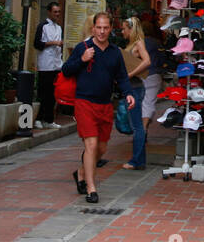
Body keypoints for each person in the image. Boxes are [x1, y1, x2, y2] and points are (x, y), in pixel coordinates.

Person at [62, 13, 135, 203]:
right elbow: (66, 70)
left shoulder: (114, 52)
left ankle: (80, 172)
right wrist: (82, 59)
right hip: (84, 102)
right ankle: (91, 188)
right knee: (91, 145)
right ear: (93, 28)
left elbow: (122, 77)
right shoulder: (83, 48)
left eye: (105, 28)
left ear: (111, 29)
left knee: (101, 148)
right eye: (99, 28)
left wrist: (128, 93)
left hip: (104, 104)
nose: (102, 32)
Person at [119, 16, 152, 171]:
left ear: (131, 29)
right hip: (132, 88)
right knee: (136, 125)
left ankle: (136, 161)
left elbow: (147, 61)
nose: (122, 31)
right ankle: (139, 160)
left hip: (135, 88)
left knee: (137, 126)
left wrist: (130, 74)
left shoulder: (138, 43)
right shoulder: (132, 44)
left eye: (124, 28)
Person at [35, 2, 63, 129]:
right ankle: (38, 118)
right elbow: (37, 44)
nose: (57, 14)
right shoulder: (43, 26)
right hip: (45, 65)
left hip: (56, 65)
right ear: (49, 12)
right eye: (55, 12)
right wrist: (52, 43)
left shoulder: (59, 28)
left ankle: (49, 119)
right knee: (43, 93)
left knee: (53, 94)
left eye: (58, 12)